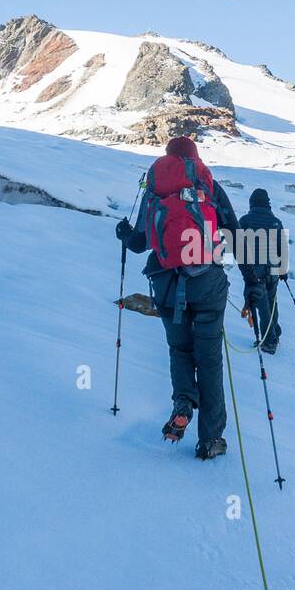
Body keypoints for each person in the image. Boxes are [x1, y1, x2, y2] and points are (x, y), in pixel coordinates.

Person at [115, 136, 240, 460]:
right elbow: (234, 232)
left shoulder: (157, 187)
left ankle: (183, 402)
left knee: (180, 349)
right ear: (195, 159)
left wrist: (124, 233)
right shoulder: (207, 183)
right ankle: (210, 440)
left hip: (166, 282)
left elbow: (140, 242)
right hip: (207, 281)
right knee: (209, 359)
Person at [237, 188, 287, 354]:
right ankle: (274, 333)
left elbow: (237, 247)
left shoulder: (244, 221)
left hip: (254, 272)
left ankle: (269, 341)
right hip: (273, 270)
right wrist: (283, 271)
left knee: (262, 307)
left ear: (252, 203)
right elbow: (282, 249)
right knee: (272, 304)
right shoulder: (276, 222)